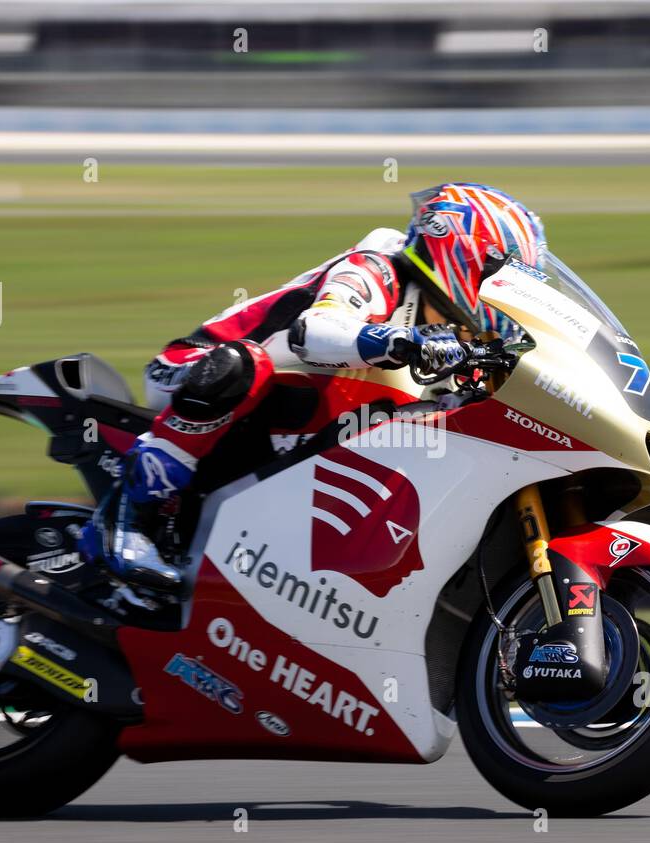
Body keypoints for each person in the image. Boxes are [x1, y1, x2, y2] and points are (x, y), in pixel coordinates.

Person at [80, 182, 547, 590]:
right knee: (242, 365)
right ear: (459, 255)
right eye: (498, 273)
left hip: (287, 412)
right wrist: (405, 341)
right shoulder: (377, 267)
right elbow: (315, 331)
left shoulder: (461, 338)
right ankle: (127, 518)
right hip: (197, 369)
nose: (503, 290)